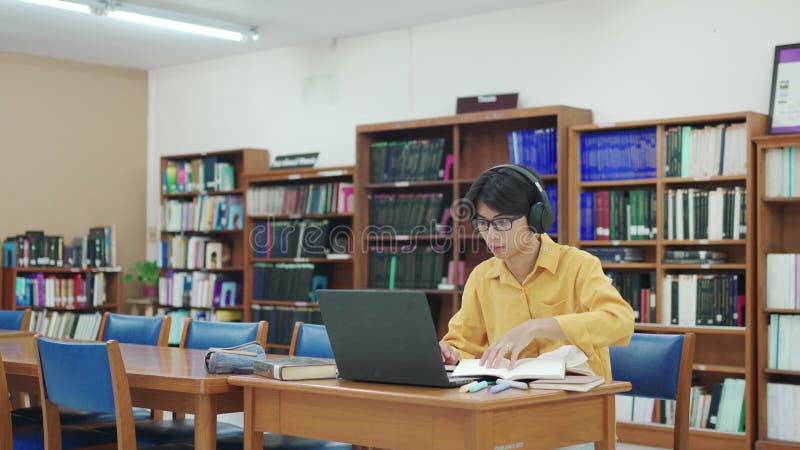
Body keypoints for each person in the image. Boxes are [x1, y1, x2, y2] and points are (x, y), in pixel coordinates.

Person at [439, 165, 634, 449]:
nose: (491, 235)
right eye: (483, 224)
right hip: (508, 416)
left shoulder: (578, 265)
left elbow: (621, 321)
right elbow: (463, 342)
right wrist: (449, 353)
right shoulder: (482, 277)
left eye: (502, 222)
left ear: (536, 217)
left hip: (575, 420)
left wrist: (539, 327)